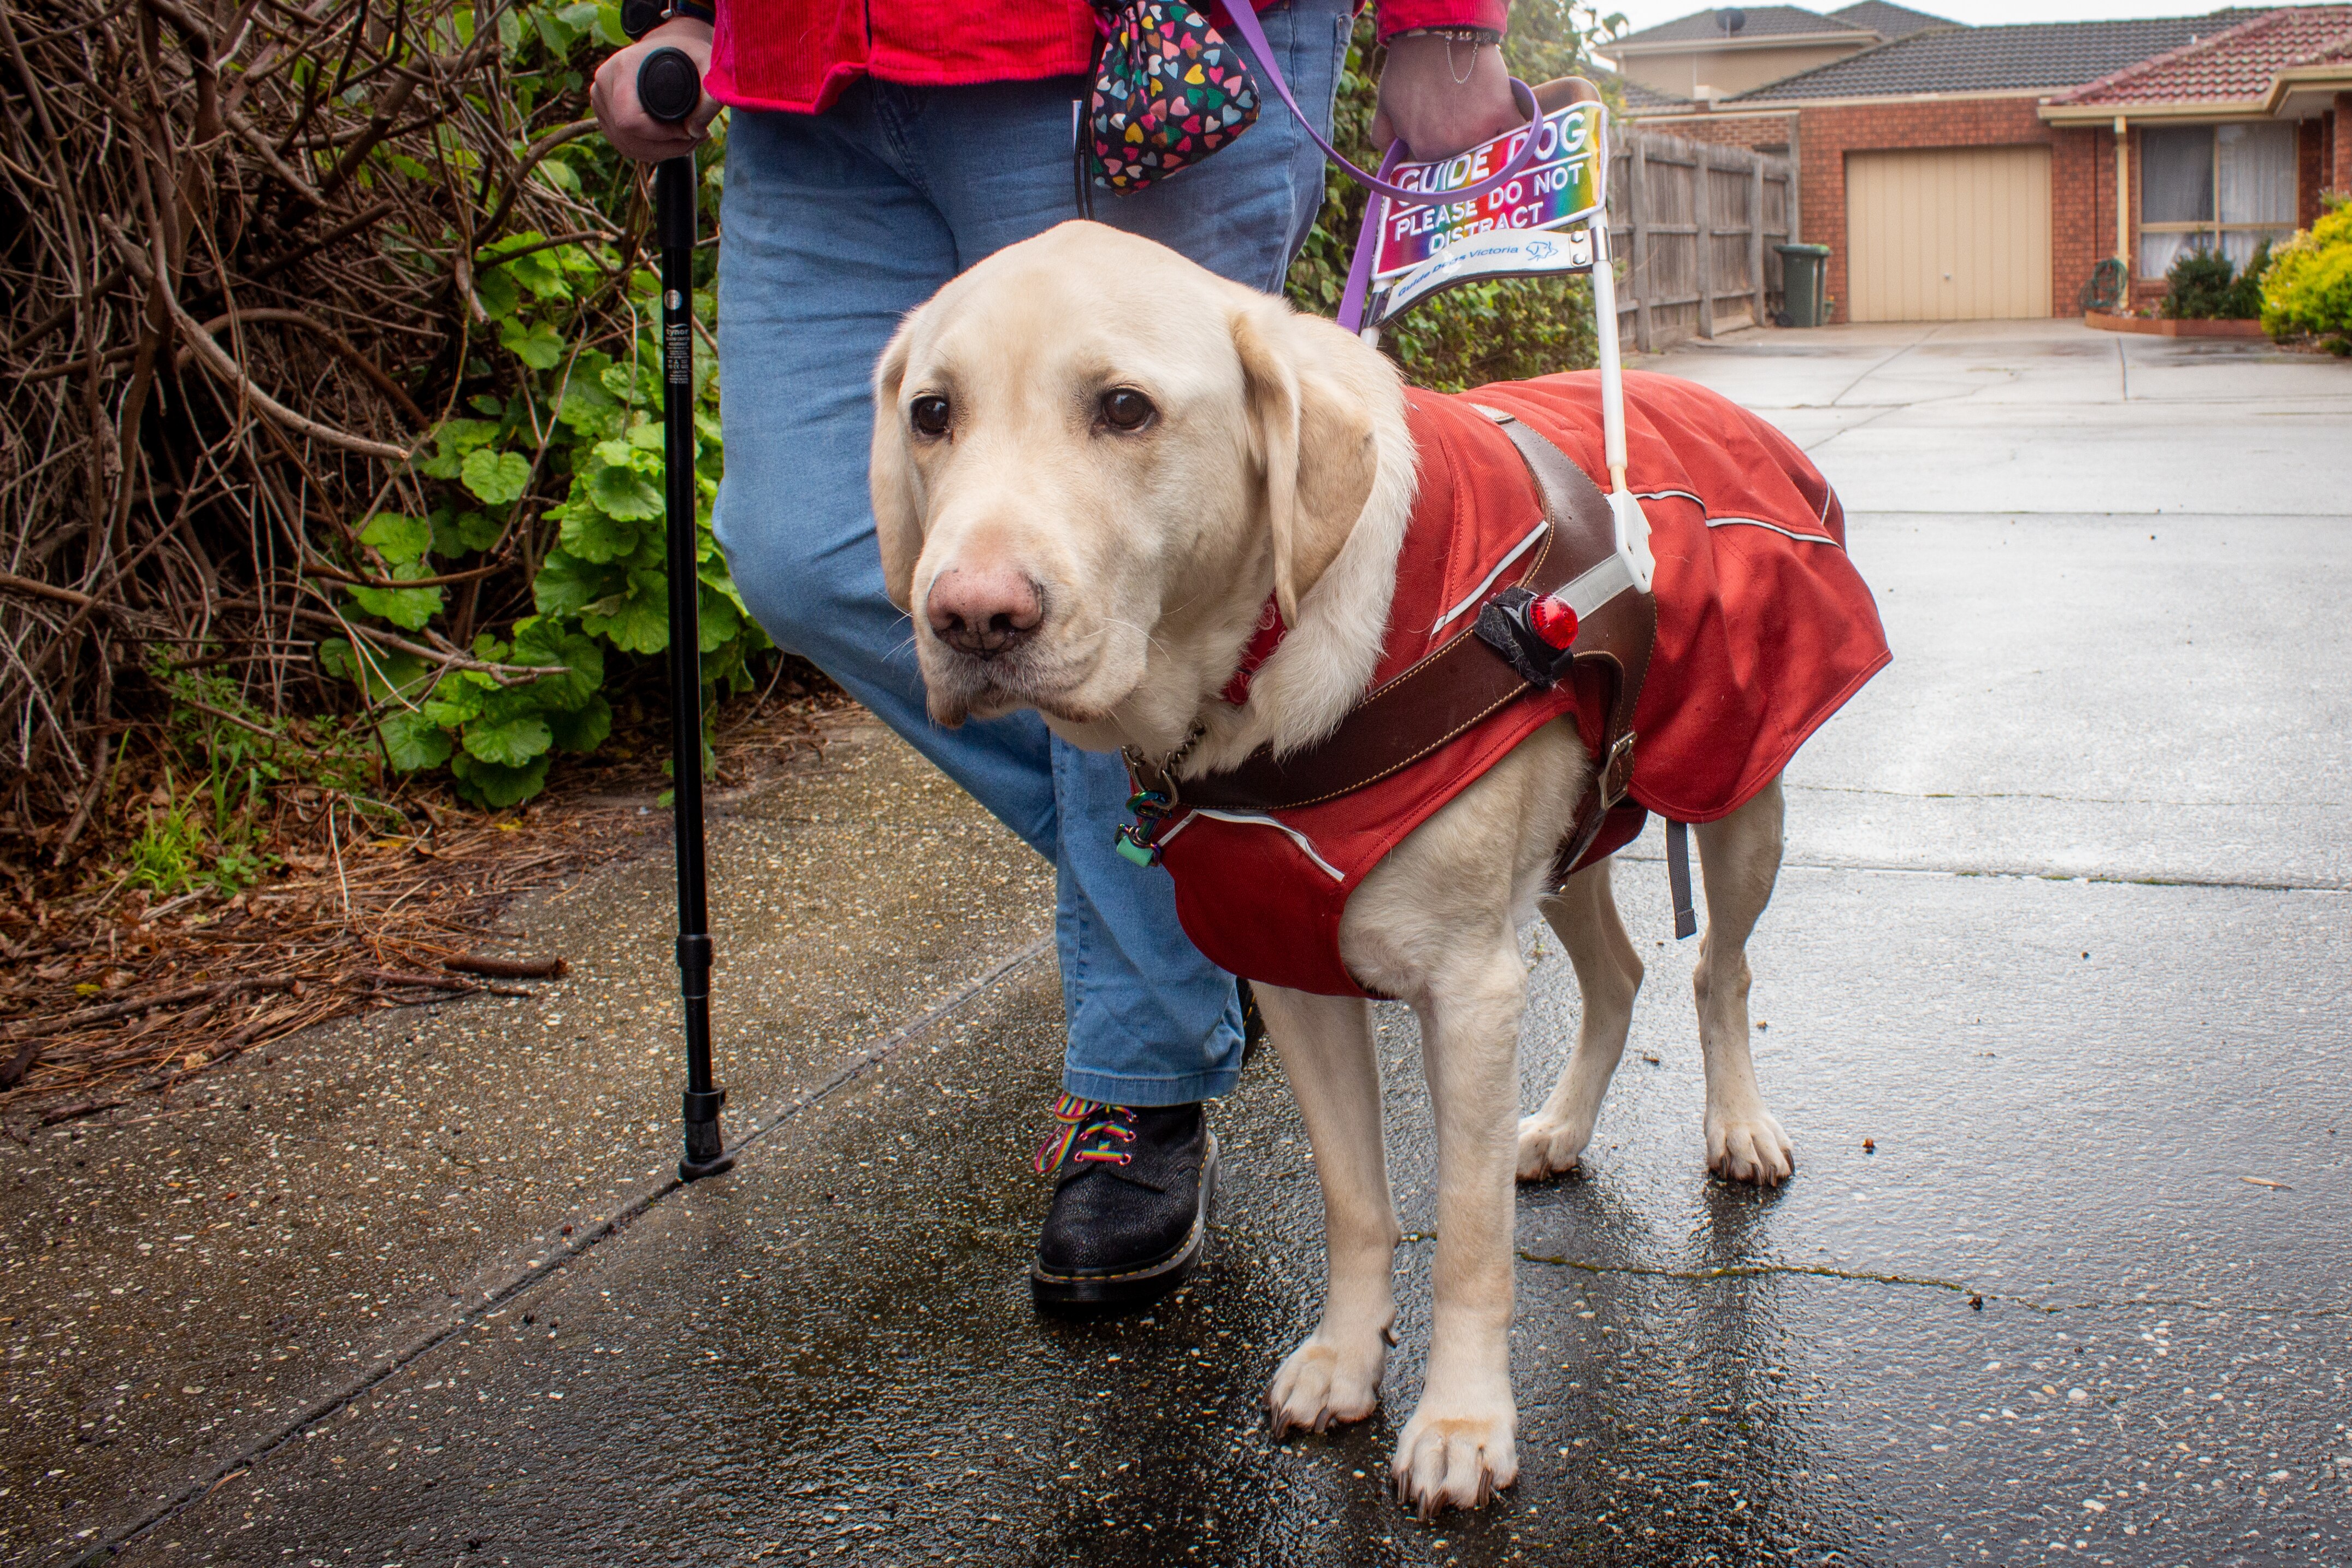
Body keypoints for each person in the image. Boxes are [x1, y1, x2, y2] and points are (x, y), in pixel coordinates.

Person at [593, 0, 1521, 1314]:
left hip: (1132, 47)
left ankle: (1139, 1073)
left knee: (1125, 593)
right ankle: (1207, 878)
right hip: (804, 68)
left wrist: (1443, 21)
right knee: (804, 551)